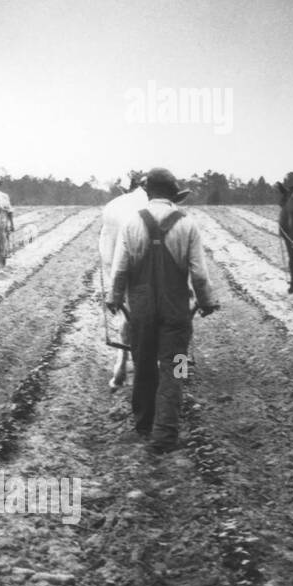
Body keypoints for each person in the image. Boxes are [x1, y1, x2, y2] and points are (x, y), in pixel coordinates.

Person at [107, 167, 219, 454]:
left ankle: (144, 424)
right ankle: (166, 433)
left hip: (141, 310)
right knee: (177, 368)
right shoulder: (188, 224)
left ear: (148, 193)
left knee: (143, 363)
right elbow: (199, 274)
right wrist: (206, 302)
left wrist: (115, 298)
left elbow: (120, 268)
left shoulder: (132, 222)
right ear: (173, 195)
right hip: (176, 313)